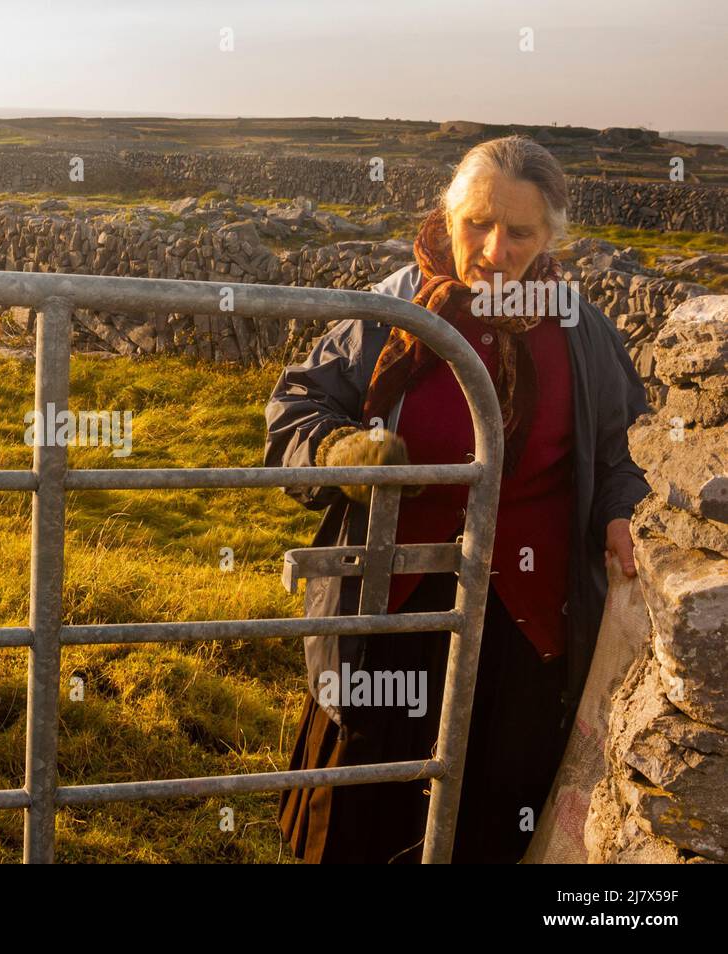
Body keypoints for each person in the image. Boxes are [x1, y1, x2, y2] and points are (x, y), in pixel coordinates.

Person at [263, 135, 651, 863]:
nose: (495, 248)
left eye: (521, 231)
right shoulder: (391, 315)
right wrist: (340, 453)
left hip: (528, 634)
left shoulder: (582, 334)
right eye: (477, 222)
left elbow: (617, 454)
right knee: (359, 819)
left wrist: (621, 509)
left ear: (551, 237)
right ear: (448, 215)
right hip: (390, 616)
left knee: (493, 823)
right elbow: (295, 409)